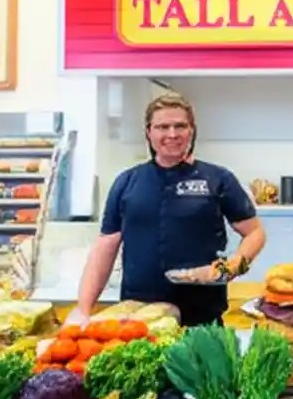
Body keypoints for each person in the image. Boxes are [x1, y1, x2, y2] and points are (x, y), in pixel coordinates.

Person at [68, 92, 266, 327]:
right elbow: (105, 246)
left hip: (202, 319)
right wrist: (83, 308)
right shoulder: (127, 182)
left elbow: (255, 233)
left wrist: (229, 269)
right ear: (149, 132)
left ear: (191, 130)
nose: (172, 134)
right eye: (162, 127)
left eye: (180, 126)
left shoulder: (218, 179)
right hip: (137, 319)